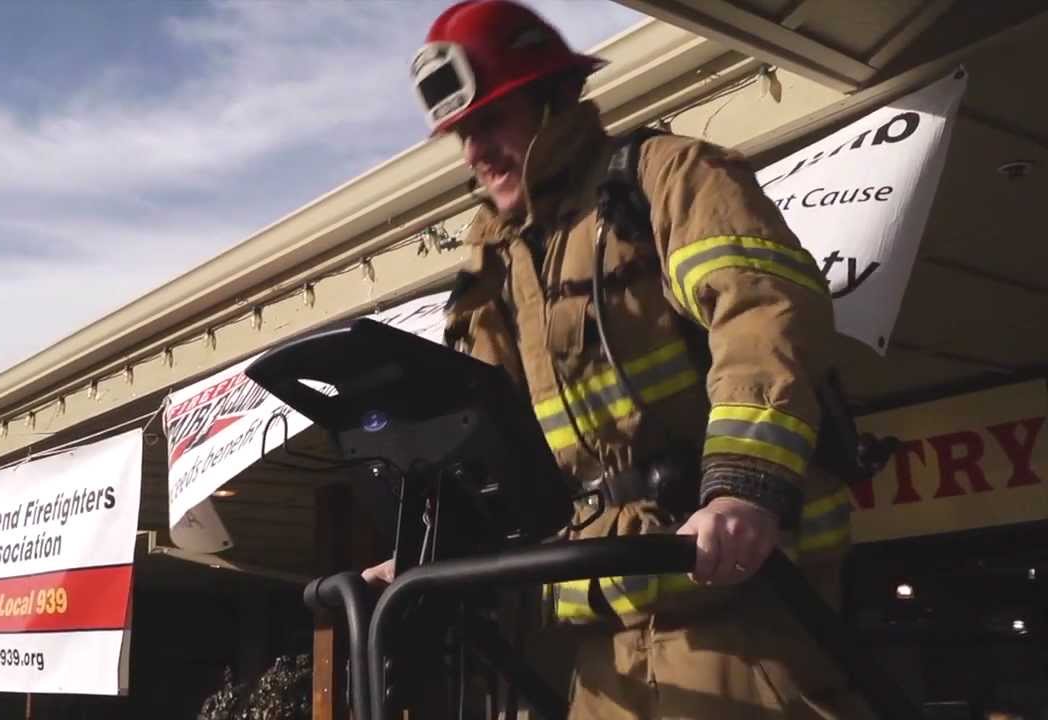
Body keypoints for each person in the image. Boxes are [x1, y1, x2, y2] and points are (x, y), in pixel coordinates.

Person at [363, 1, 874, 718]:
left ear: (551, 98)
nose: (473, 152)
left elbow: (762, 314)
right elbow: (488, 443)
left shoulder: (669, 179)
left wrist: (742, 488)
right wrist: (426, 554)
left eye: (487, 122)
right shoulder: (494, 270)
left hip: (739, 604)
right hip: (605, 628)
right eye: (460, 135)